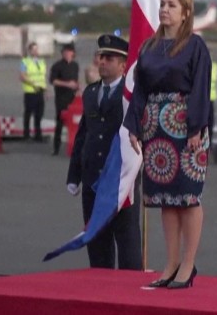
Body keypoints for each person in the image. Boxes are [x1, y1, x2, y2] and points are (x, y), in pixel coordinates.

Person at [124, 0, 212, 289]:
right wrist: (134, 125)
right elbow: (140, 90)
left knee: (187, 197)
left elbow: (201, 87)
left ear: (185, 12)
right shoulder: (148, 47)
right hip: (155, 128)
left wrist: (195, 128)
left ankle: (188, 263)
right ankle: (171, 262)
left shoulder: (195, 46)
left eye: (171, 5)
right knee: (165, 199)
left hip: (185, 125)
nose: (164, 9)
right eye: (162, 4)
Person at [66, 35, 140, 270]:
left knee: (127, 243)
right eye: (101, 57)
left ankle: (130, 295)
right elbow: (83, 135)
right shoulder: (90, 92)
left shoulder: (131, 97)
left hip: (120, 179)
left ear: (123, 64)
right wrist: (74, 175)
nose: (103, 62)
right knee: (97, 243)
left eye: (109, 58)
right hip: (92, 178)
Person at [50, 43, 80, 156]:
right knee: (60, 122)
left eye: (69, 52)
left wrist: (77, 87)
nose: (67, 54)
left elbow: (75, 80)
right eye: (65, 52)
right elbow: (53, 81)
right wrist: (67, 84)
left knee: (76, 123)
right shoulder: (57, 66)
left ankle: (74, 146)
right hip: (61, 98)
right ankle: (56, 148)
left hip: (72, 98)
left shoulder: (75, 65)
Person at [20, 42, 47, 142]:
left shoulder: (41, 62)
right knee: (28, 113)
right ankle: (26, 134)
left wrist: (45, 90)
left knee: (39, 113)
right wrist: (33, 84)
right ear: (30, 51)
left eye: (37, 49)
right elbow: (22, 76)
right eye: (33, 49)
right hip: (30, 91)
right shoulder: (25, 62)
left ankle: (38, 134)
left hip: (40, 90)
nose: (36, 51)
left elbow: (42, 77)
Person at [208, 60, 217, 148]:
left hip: (210, 98)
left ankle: (209, 144)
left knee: (209, 123)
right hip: (205, 98)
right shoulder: (214, 66)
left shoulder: (214, 66)